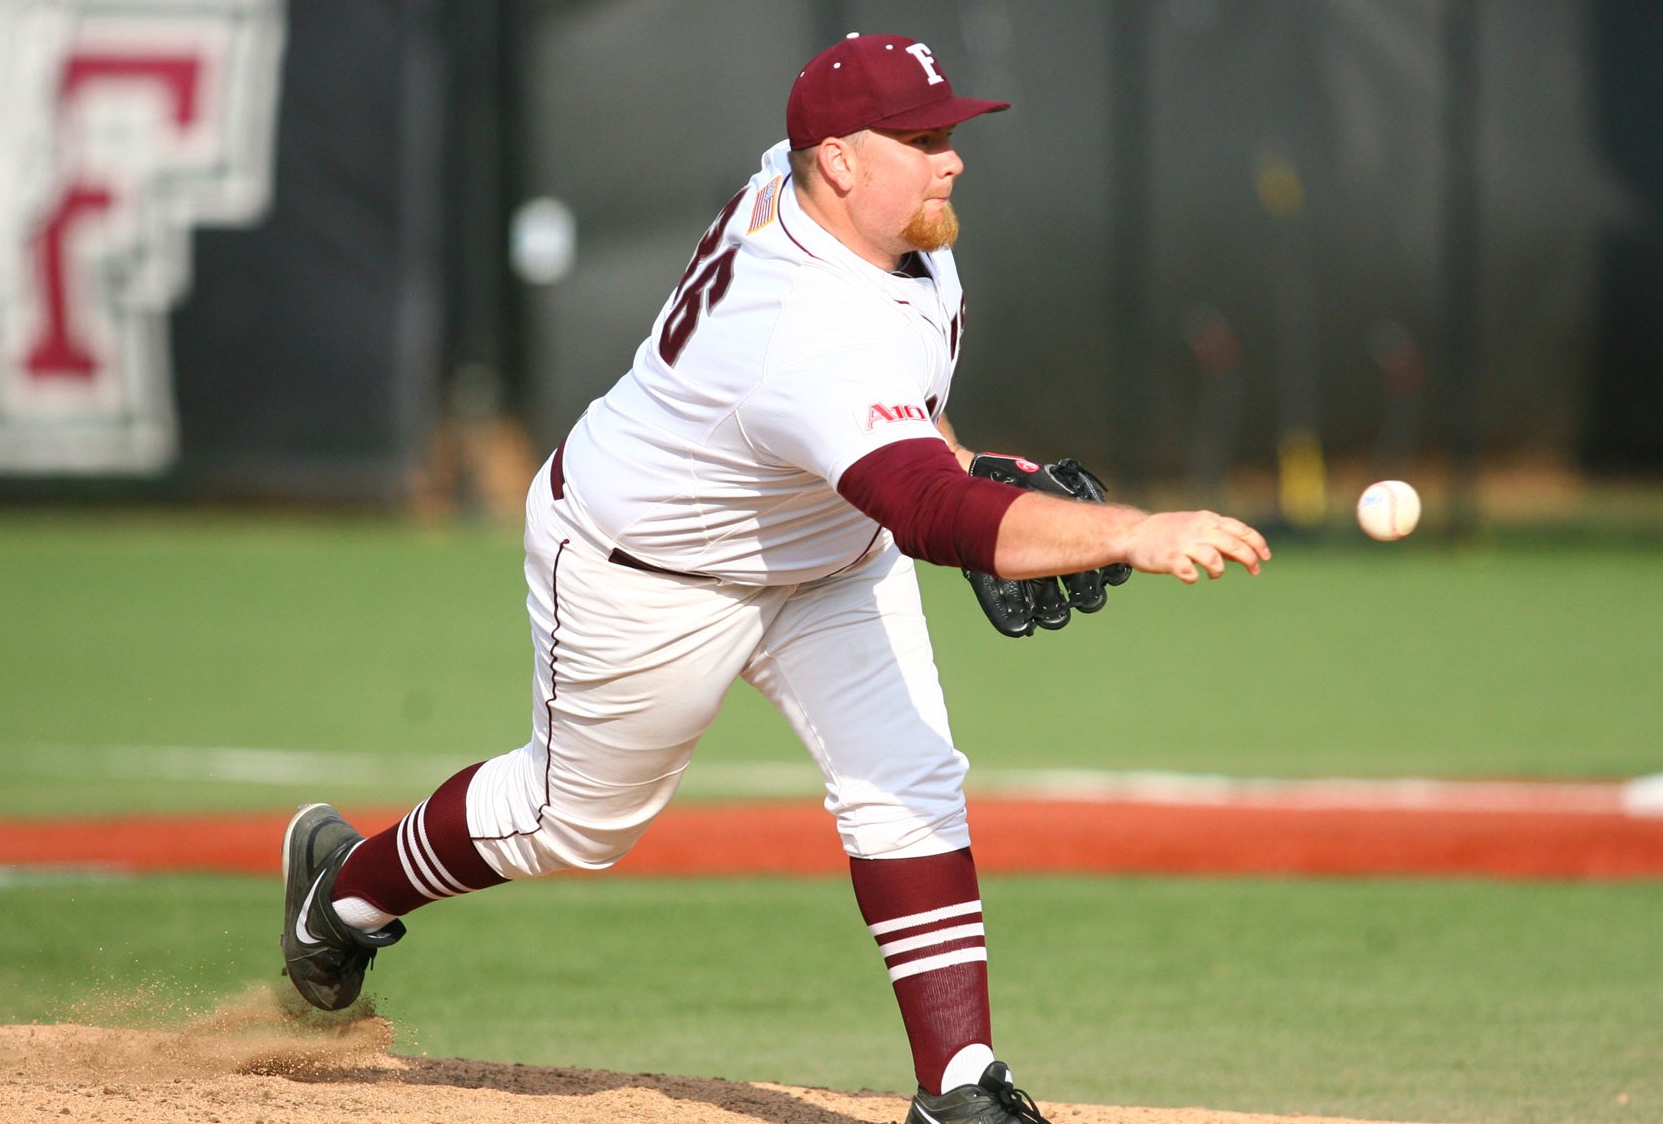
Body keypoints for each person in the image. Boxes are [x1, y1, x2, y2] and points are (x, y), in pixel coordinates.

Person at [280, 32, 1269, 1124]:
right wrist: (1127, 530)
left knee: (908, 774)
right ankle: (346, 888)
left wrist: (960, 455)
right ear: (838, 160)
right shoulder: (799, 322)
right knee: (574, 821)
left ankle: (960, 1083)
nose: (951, 159)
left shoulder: (835, 193)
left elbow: (902, 425)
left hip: (827, 552)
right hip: (647, 569)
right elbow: (929, 509)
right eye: (923, 138)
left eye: (949, 133)